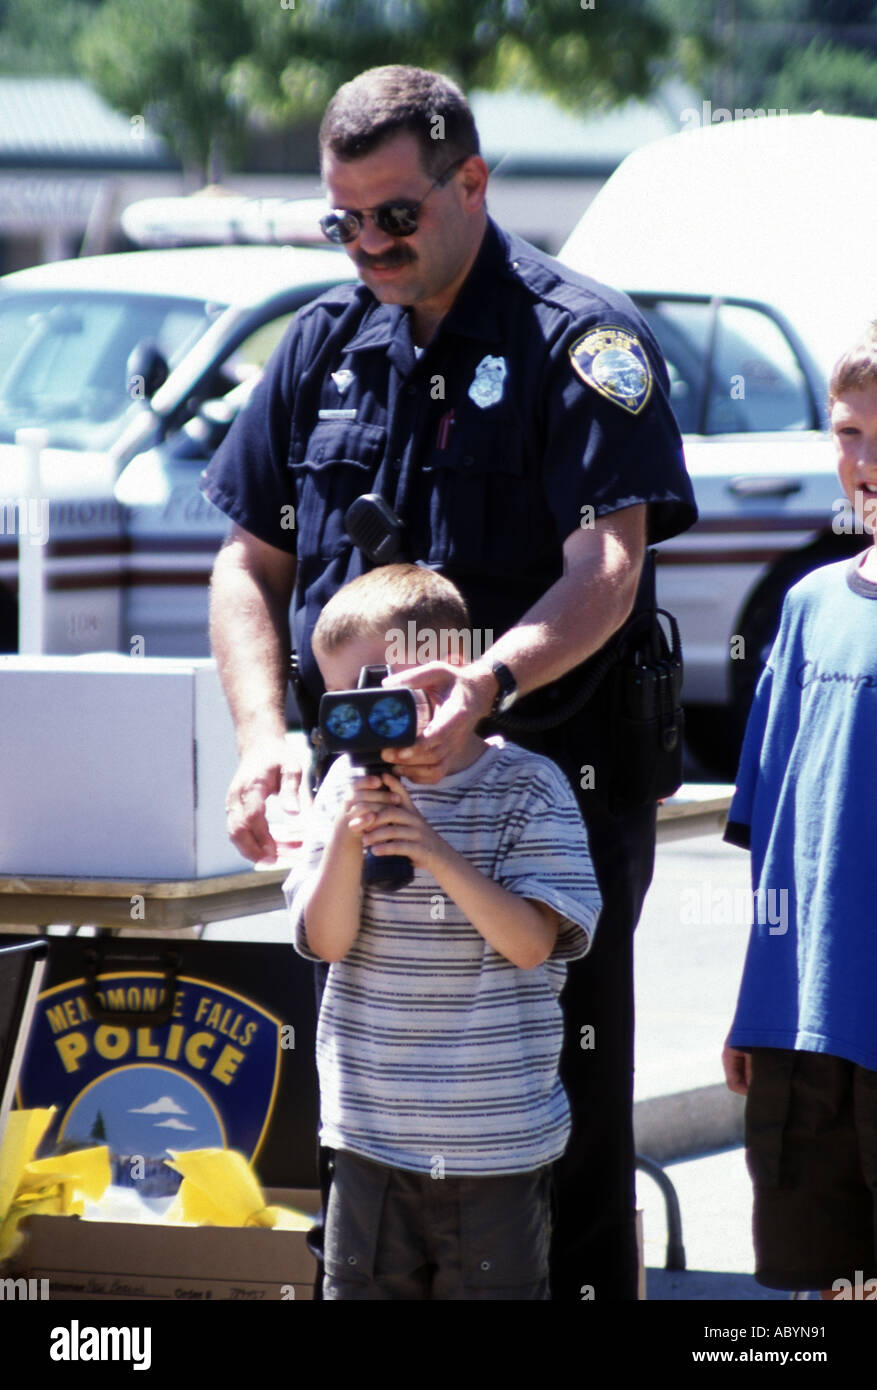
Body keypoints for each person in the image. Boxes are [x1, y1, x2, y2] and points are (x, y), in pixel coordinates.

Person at [202, 64, 696, 1300]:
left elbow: (608, 566)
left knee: (555, 1126)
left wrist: (483, 684)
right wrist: (268, 735)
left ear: (470, 183)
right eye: (342, 219)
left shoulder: (577, 340)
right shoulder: (319, 347)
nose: (366, 242)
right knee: (360, 1112)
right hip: (357, 795)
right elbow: (245, 564)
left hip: (539, 790)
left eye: (395, 215)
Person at [283, 563, 600, 1299]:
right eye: (345, 702)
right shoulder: (342, 785)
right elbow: (325, 942)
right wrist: (348, 837)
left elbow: (530, 944)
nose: (369, 719)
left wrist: (433, 852)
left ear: (449, 673)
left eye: (382, 693)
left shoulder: (527, 786)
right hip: (367, 1138)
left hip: (494, 1143)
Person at [722, 322, 877, 1299]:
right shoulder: (809, 605)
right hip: (805, 1032)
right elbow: (772, 834)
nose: (863, 462)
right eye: (849, 432)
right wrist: (753, 1005)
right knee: (815, 1295)